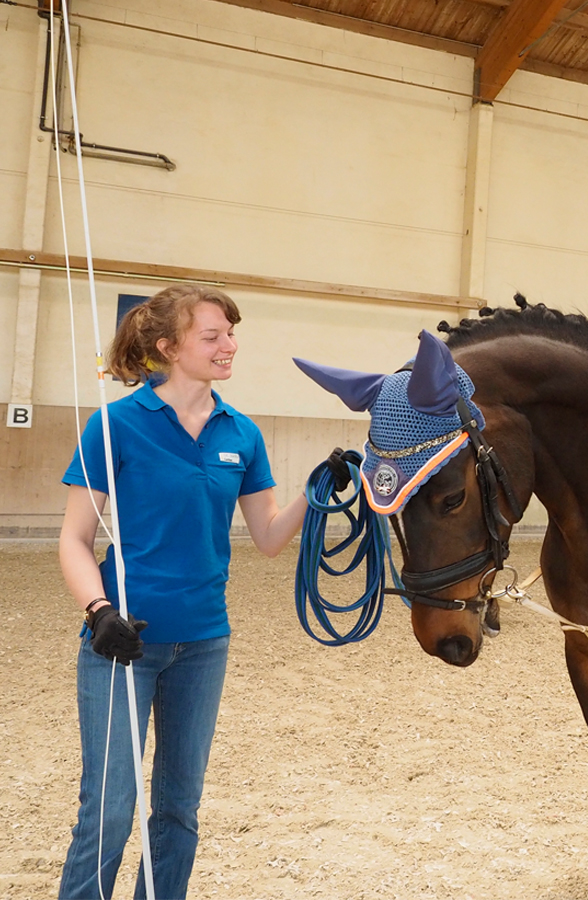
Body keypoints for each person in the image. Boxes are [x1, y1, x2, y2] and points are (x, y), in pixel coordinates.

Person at [57, 285, 338, 899]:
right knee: (108, 810)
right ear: (168, 347)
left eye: (231, 334)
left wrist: (319, 487)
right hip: (121, 644)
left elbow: (266, 537)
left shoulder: (242, 432)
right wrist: (98, 611)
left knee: (179, 813)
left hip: (204, 644)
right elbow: (74, 539)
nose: (228, 346)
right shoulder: (115, 425)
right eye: (212, 336)